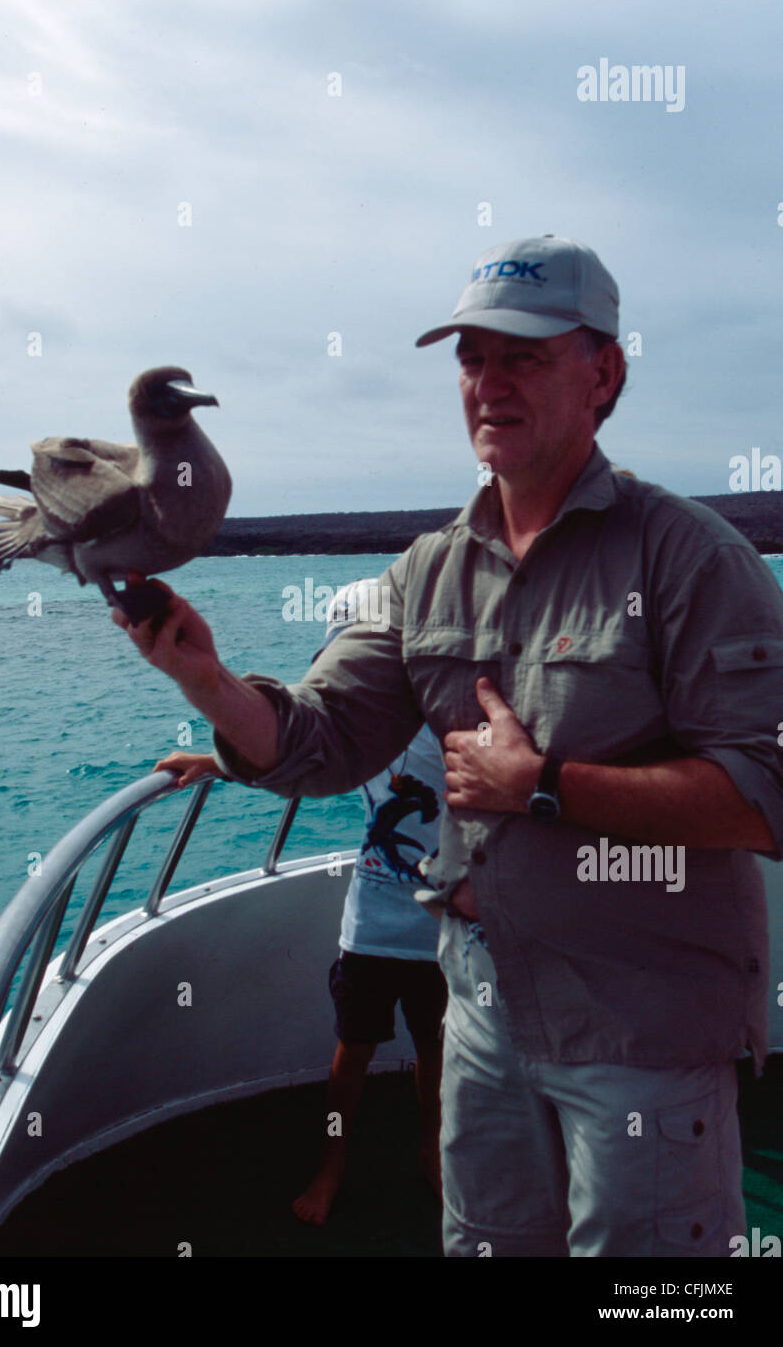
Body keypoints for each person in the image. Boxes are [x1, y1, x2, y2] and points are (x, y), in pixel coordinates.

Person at [112, 235, 783, 1257]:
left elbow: (763, 790)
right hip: (483, 1008)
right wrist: (204, 679)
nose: (488, 383)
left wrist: (544, 786)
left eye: (523, 355)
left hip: (642, 1029)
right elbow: (320, 741)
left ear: (602, 373)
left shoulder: (691, 557)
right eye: (472, 358)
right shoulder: (424, 573)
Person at [290, 580, 447, 1225]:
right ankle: (331, 1164)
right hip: (372, 928)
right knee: (351, 1054)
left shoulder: (451, 723)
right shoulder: (355, 734)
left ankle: (434, 1154)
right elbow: (288, 750)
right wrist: (218, 761)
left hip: (442, 928)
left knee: (438, 1053)